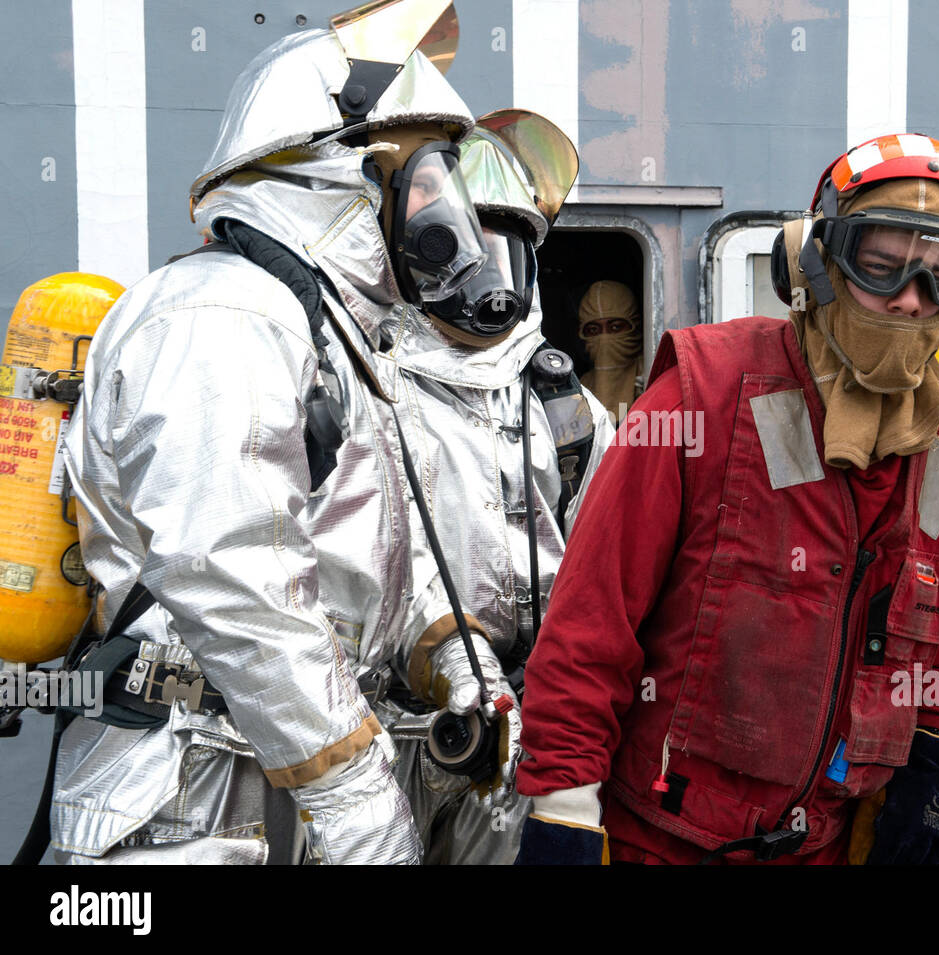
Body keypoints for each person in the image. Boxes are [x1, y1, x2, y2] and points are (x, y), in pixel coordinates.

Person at [44, 2, 508, 864]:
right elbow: (232, 572)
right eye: (431, 177)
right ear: (344, 172)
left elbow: (368, 574)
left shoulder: (329, 334)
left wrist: (450, 658)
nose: (449, 212)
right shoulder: (220, 310)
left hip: (266, 785)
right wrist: (352, 788)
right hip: (186, 797)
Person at [514, 133, 939, 865]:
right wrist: (563, 804)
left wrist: (932, 755)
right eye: (881, 265)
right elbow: (592, 622)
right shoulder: (700, 397)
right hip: (661, 841)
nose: (911, 300)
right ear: (816, 265)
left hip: (829, 845)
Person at [380, 108, 615, 864]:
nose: (484, 284)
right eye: (462, 252)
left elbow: (616, 581)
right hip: (381, 739)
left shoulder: (566, 406)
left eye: (504, 257)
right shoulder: (363, 391)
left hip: (525, 743)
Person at [577, 280, 642, 425]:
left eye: (615, 327)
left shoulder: (650, 372)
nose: (604, 338)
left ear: (635, 326)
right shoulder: (582, 385)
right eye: (593, 330)